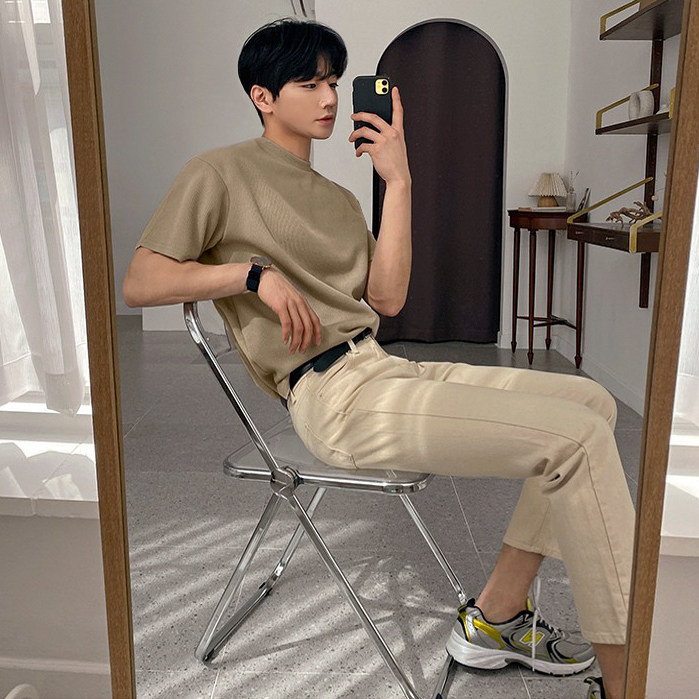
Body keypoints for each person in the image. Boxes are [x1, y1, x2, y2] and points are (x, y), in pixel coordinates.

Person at [122, 18, 634, 699]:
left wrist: (398, 180)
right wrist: (250, 275)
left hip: (383, 368)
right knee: (577, 440)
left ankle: (495, 617)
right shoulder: (218, 172)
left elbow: (388, 296)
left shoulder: (337, 199)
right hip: (332, 397)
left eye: (333, 81)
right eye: (308, 83)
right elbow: (141, 280)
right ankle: (627, 681)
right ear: (262, 97)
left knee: (591, 402)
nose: (330, 97)